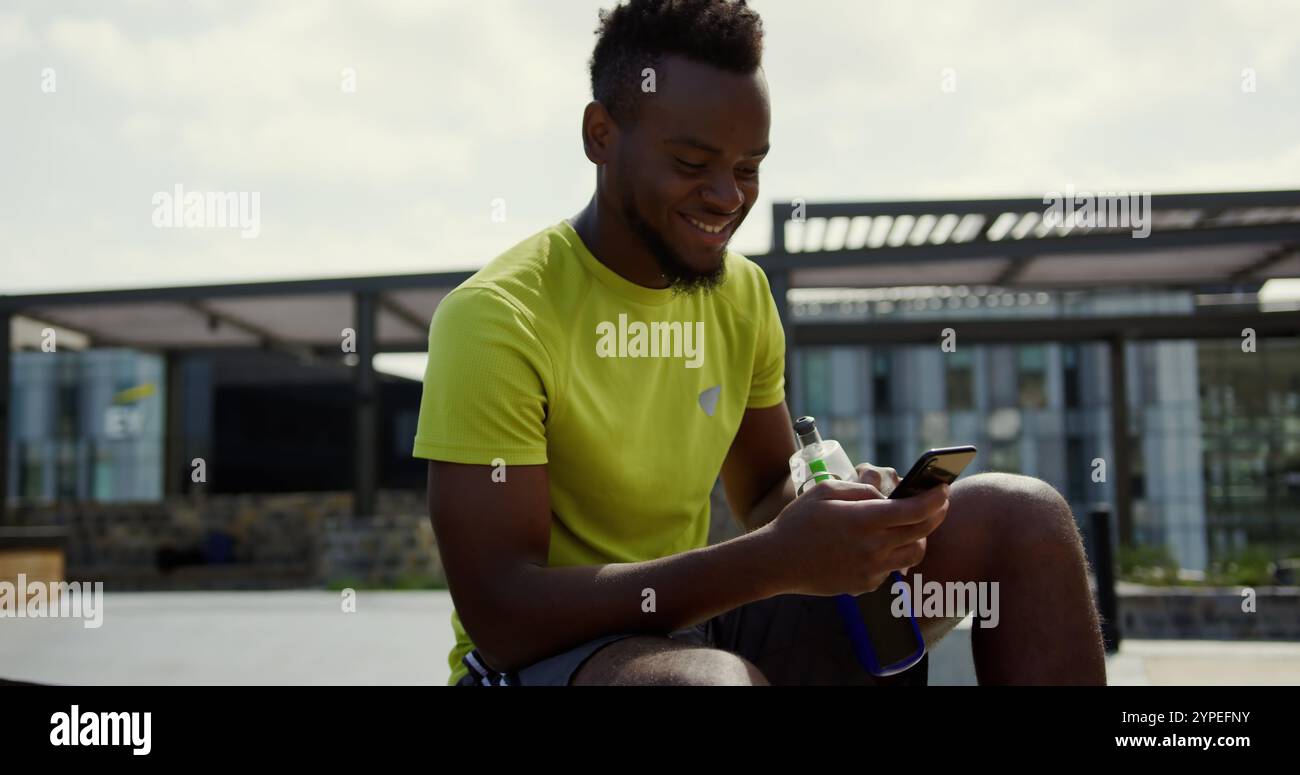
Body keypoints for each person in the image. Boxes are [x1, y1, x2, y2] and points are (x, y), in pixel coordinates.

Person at [412, 0, 1106, 686]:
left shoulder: (739, 293)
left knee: (1023, 518)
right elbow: (503, 615)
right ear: (601, 134)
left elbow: (771, 489)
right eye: (692, 162)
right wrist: (776, 558)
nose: (727, 196)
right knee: (707, 683)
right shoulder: (496, 318)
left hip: (694, 626)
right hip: (541, 660)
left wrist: (841, 507)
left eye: (749, 167)